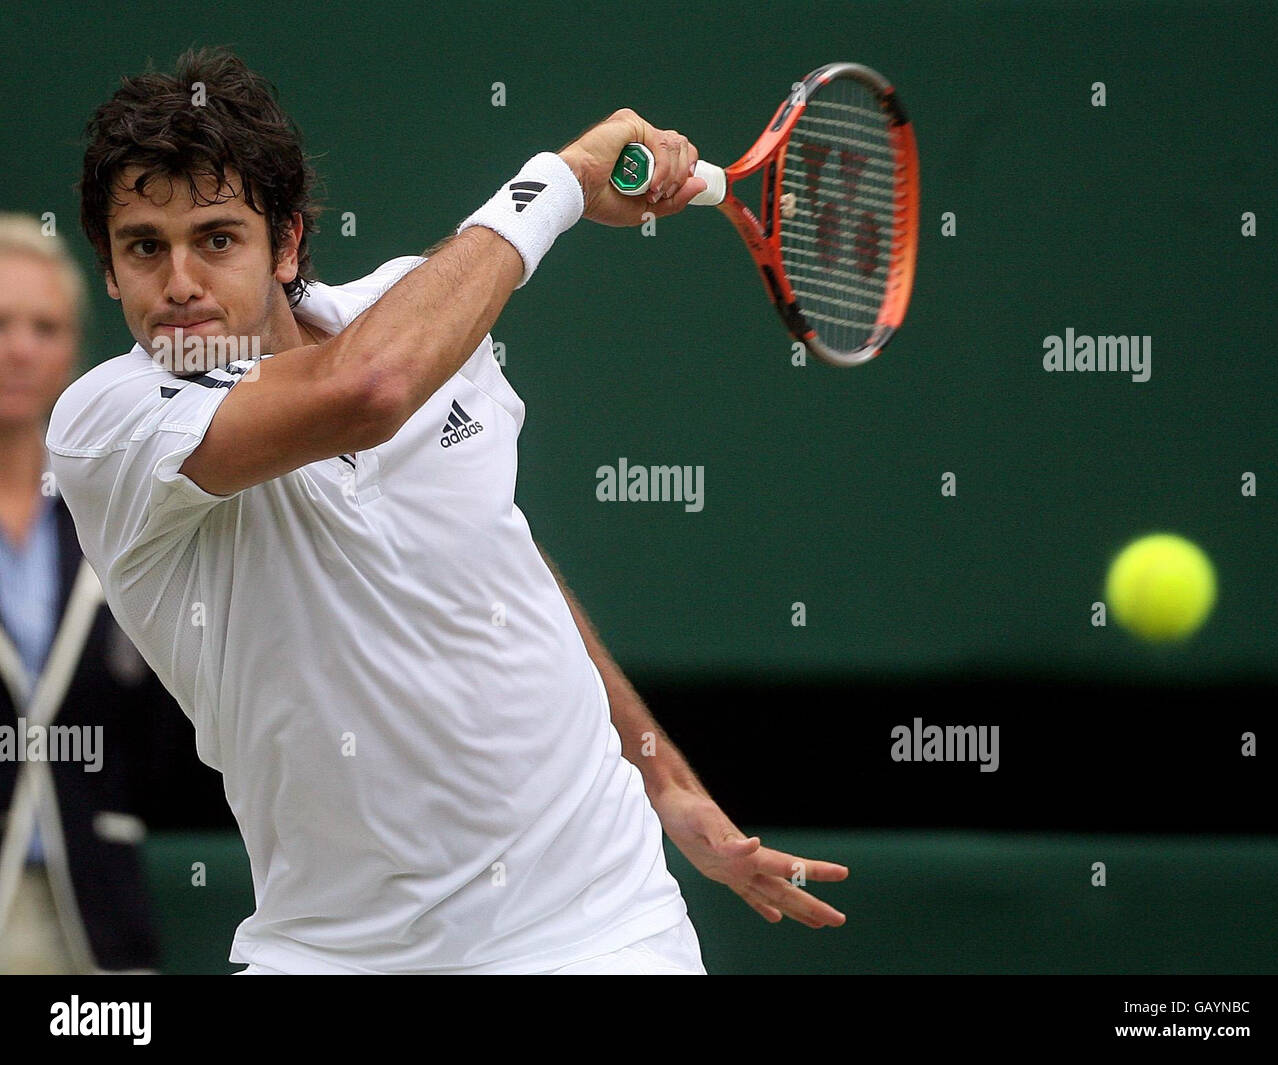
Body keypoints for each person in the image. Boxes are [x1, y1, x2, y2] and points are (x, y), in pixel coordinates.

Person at [47, 46, 850, 975]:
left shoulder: (423, 315)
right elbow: (371, 386)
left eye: (217, 239)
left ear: (290, 245)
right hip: (330, 953)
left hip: (599, 925)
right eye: (145, 246)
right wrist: (559, 180)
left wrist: (667, 784)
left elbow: (501, 562)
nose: (179, 282)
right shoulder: (107, 424)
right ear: (108, 269)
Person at [0, 213, 172, 973]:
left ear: (73, 348)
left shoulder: (110, 502)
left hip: (98, 905)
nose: (20, 348)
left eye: (46, 326)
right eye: (1, 322)